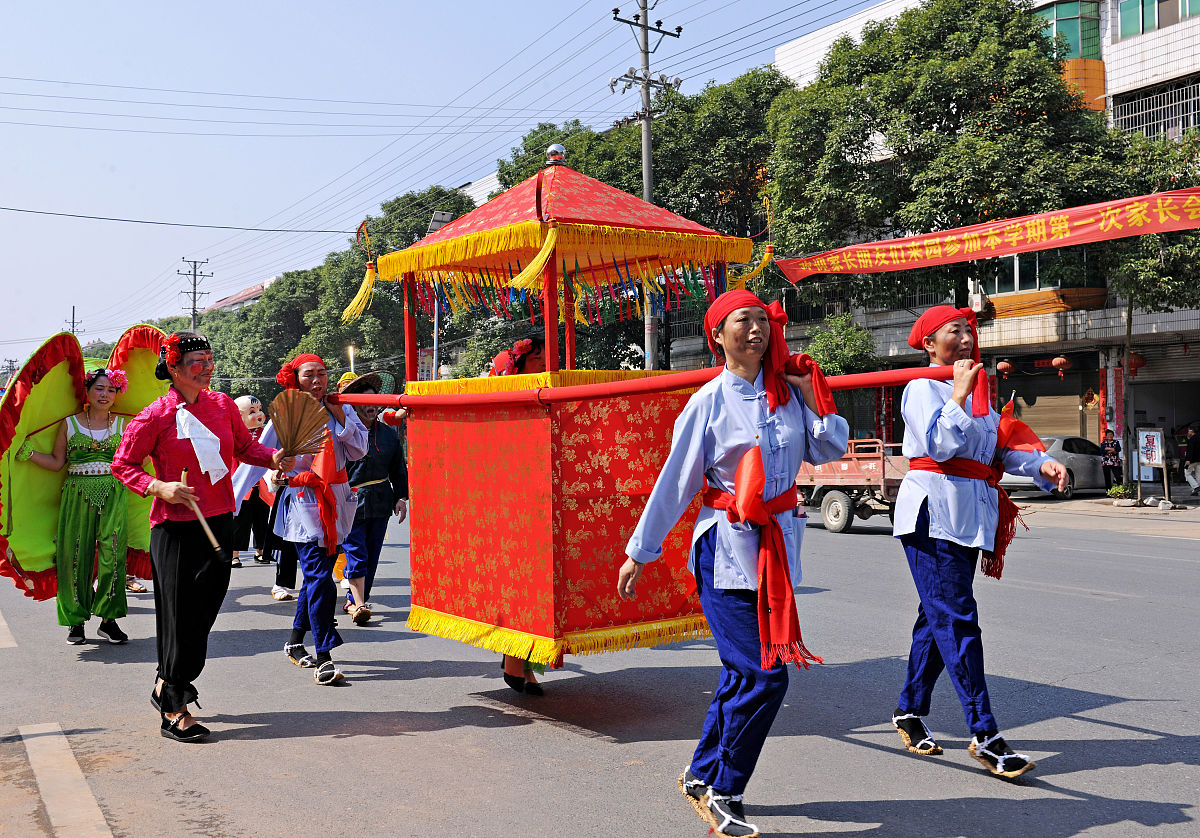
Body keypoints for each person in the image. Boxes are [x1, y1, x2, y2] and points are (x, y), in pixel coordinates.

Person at [618, 290, 848, 838]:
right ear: (717, 335)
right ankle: (727, 787)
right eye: (741, 322)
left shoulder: (786, 396)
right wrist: (639, 552)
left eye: (762, 321)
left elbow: (828, 449)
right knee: (765, 677)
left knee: (741, 673)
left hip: (777, 550)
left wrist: (810, 395)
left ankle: (701, 774)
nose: (756, 330)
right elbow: (676, 482)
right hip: (723, 546)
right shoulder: (709, 402)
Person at [890, 305, 1068, 779]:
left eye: (969, 331)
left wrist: (1039, 465)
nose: (967, 339)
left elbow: (997, 451)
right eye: (955, 331)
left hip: (970, 516)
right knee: (958, 619)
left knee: (937, 617)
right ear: (930, 343)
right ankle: (985, 733)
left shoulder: (982, 395)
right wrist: (959, 395)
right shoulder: (921, 388)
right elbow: (941, 446)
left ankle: (909, 709)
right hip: (932, 513)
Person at [112, 332, 289, 742]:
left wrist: (274, 457)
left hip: (220, 521)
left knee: (204, 611)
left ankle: (166, 682)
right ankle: (174, 705)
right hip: (174, 530)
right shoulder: (155, 415)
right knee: (178, 616)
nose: (207, 366)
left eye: (210, 358)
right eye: (197, 360)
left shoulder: (223, 405)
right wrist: (160, 487)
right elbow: (125, 465)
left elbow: (246, 448)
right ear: (173, 368)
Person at [232, 353, 367, 686]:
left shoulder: (341, 407)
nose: (318, 381)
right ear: (295, 378)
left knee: (314, 580)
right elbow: (256, 459)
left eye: (322, 374)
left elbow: (359, 450)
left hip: (337, 500)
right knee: (320, 576)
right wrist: (232, 502)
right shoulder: (285, 414)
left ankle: (294, 641)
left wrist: (343, 421)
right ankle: (324, 655)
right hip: (304, 502)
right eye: (309, 375)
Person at [22, 367, 133, 645]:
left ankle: (109, 620)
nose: (105, 394)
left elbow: (135, 461)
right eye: (99, 388)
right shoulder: (69, 424)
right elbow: (58, 463)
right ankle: (75, 621)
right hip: (76, 493)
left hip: (113, 493)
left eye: (111, 390)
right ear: (87, 391)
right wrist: (29, 453)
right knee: (75, 555)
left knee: (114, 555)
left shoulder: (124, 426)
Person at [486, 337, 551, 694]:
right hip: (510, 497)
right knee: (516, 587)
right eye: (536, 358)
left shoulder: (550, 388)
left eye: (545, 358)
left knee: (542, 587)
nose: (542, 363)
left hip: (542, 494)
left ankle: (528, 665)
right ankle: (516, 663)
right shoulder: (500, 388)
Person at [337, 372, 408, 626]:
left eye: (374, 402)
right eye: (364, 402)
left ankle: (355, 599)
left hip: (380, 500)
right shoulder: (342, 432)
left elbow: (398, 468)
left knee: (373, 554)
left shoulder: (388, 435)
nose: (370, 406)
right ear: (353, 405)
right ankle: (358, 604)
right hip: (349, 501)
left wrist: (400, 496)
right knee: (357, 553)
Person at [231, 395, 271, 568]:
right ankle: (234, 554)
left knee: (262, 519)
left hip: (261, 485)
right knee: (240, 521)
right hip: (243, 486)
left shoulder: (265, 433)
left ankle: (260, 550)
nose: (259, 414)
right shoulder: (235, 436)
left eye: (260, 409)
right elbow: (233, 463)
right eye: (252, 412)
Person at [1182, 427, 1200, 496]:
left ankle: (1196, 487)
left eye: (1188, 431)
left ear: (1191, 431)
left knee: (1187, 473)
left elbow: (1190, 450)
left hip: (1192, 460)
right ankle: (1196, 491)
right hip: (1199, 460)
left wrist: (1188, 459)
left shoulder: (1192, 439)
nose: (1188, 433)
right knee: (1198, 474)